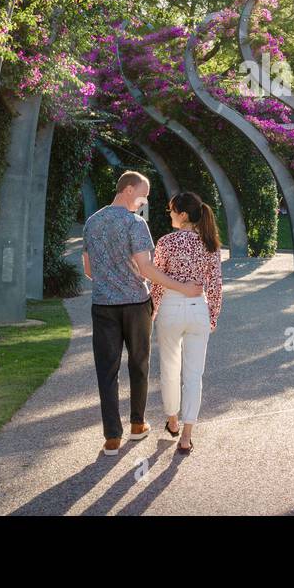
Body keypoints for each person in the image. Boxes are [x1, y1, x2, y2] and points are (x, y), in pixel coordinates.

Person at [82, 171, 200, 457]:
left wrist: (109, 279)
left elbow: (88, 270)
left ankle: (112, 437)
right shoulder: (136, 224)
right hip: (136, 305)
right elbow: (147, 270)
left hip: (103, 307)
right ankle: (137, 424)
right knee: (139, 365)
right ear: (128, 189)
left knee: (107, 371)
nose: (144, 200)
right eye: (143, 194)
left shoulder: (92, 222)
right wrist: (183, 288)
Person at [150, 191, 224, 455]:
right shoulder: (210, 244)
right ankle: (186, 436)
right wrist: (212, 315)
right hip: (197, 309)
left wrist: (153, 310)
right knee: (194, 375)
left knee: (170, 368)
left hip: (170, 307)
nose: (169, 214)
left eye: (171, 210)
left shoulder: (166, 242)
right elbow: (215, 285)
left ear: (182, 214)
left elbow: (156, 280)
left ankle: (172, 420)